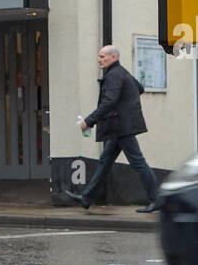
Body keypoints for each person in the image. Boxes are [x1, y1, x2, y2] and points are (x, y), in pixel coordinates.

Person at [64, 45, 159, 213]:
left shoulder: (114, 75)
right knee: (104, 162)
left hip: (122, 127)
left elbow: (109, 102)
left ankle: (156, 200)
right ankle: (87, 198)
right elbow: (139, 88)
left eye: (103, 56)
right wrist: (127, 105)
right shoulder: (121, 72)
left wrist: (89, 121)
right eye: (99, 56)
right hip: (119, 126)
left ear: (113, 58)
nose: (99, 59)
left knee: (138, 162)